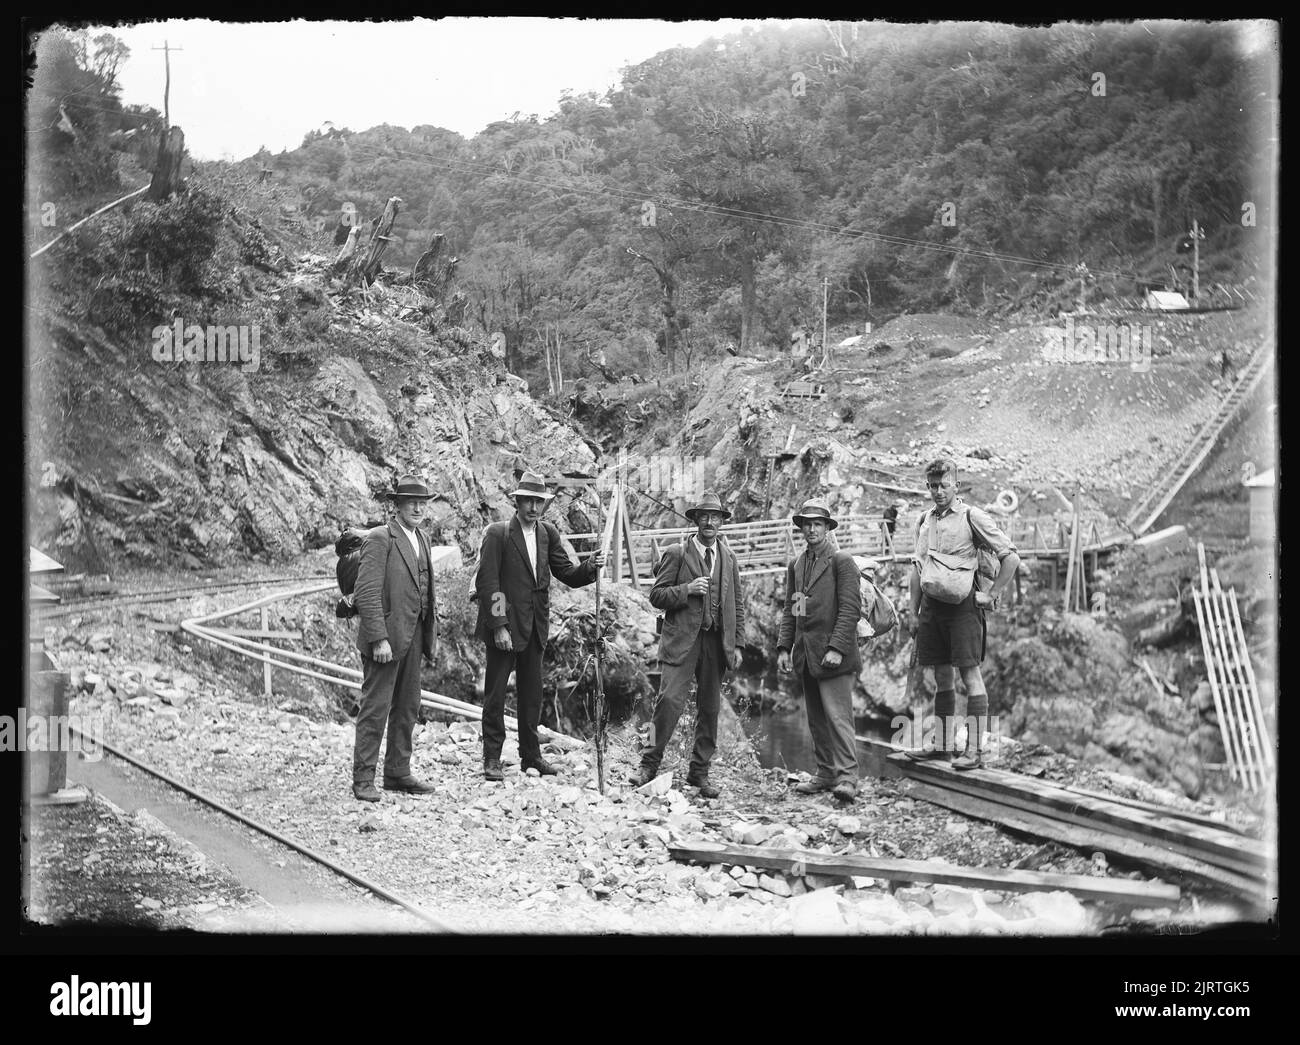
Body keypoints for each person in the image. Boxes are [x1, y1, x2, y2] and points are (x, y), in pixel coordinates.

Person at [474, 471, 605, 781]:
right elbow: (488, 581)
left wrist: (590, 567)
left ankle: (531, 756)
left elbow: (567, 573)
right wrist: (499, 625)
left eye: (538, 502)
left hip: (535, 627)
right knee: (494, 695)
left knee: (532, 694)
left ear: (544, 505)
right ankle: (491, 758)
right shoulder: (498, 534)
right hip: (505, 627)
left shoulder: (548, 534)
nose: (533, 507)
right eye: (528, 501)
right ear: (517, 503)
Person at [905, 458, 1020, 770]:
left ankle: (974, 751)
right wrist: (913, 612)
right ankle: (942, 746)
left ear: (956, 484)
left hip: (963, 608)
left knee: (970, 676)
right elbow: (917, 568)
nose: (938, 491)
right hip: (931, 608)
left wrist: (991, 594)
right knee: (942, 676)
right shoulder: (924, 521)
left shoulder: (973, 516)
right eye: (933, 485)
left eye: (944, 485)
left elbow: (1010, 557)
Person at [631, 492, 746, 799]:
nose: (710, 523)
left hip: (715, 642)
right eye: (704, 517)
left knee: (709, 708)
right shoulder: (676, 553)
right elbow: (657, 596)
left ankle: (699, 772)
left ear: (721, 522)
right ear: (696, 520)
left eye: (715, 518)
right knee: (668, 702)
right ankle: (648, 764)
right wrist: (687, 589)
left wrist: (737, 644)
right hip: (681, 640)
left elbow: (737, 603)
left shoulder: (729, 557)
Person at [351, 476, 440, 802]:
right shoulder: (380, 538)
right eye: (411, 502)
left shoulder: (423, 539)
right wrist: (378, 638)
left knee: (407, 707)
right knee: (375, 708)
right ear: (397, 505)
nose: (418, 507)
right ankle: (363, 780)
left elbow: (425, 590)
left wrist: (431, 633)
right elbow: (367, 591)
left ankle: (397, 772)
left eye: (422, 502)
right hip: (387, 639)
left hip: (414, 636)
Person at [777, 498, 863, 801]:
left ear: (827, 528)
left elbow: (851, 608)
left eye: (817, 524)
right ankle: (826, 773)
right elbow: (793, 610)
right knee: (816, 718)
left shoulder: (841, 562)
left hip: (833, 656)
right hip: (807, 654)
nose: (811, 529)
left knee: (839, 717)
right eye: (807, 524)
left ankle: (848, 778)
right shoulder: (797, 565)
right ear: (801, 528)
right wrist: (784, 647)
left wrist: (837, 647)